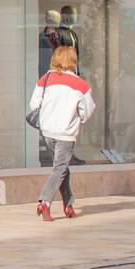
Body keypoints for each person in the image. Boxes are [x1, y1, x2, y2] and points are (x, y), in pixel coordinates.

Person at [29, 45, 95, 222]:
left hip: (47, 131)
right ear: (73, 61)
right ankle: (45, 201)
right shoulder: (80, 84)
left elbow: (33, 105)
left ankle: (68, 204)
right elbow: (87, 111)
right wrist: (77, 118)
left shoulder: (46, 78)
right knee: (59, 168)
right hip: (65, 133)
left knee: (62, 168)